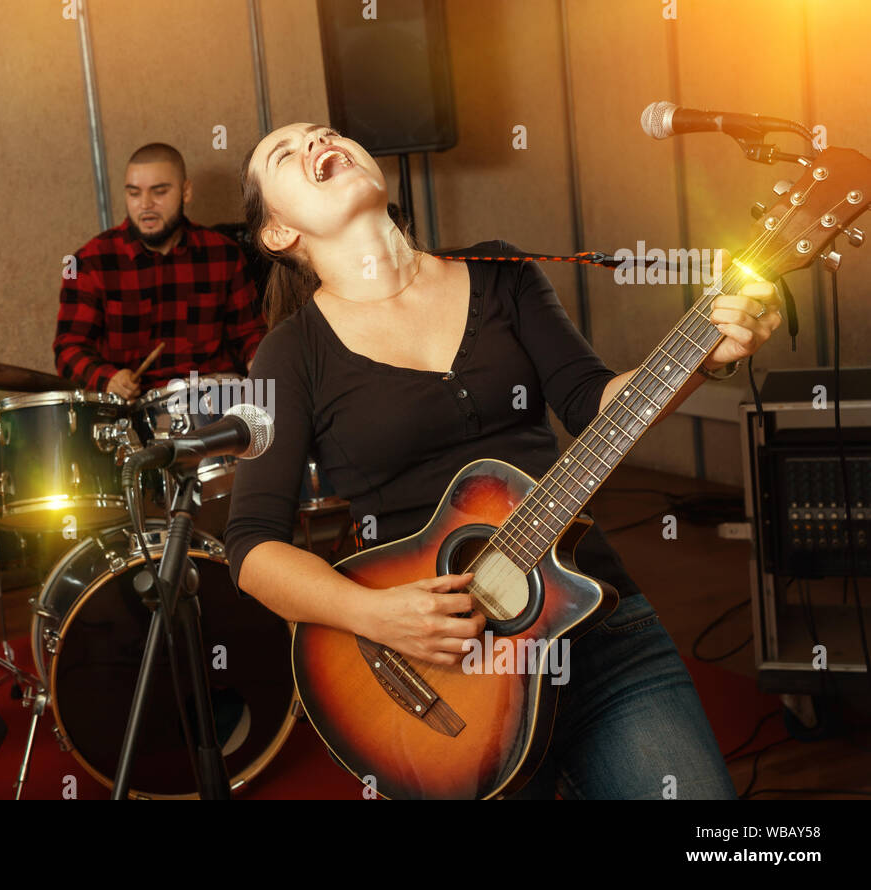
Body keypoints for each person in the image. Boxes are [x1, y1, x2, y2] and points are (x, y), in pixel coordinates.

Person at [225, 122, 784, 800]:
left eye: (326, 133)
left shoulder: (500, 273)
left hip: (593, 621)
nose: (317, 144)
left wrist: (709, 355)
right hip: (437, 671)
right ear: (279, 233)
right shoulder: (289, 354)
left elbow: (590, 400)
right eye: (288, 152)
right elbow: (252, 547)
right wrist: (373, 615)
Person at [53, 143, 265, 401]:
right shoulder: (91, 262)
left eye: (159, 192)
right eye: (133, 193)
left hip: (215, 404)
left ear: (185, 192)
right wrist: (108, 378)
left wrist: (259, 359)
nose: (145, 205)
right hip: (135, 414)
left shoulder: (224, 254)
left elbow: (250, 334)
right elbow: (68, 348)